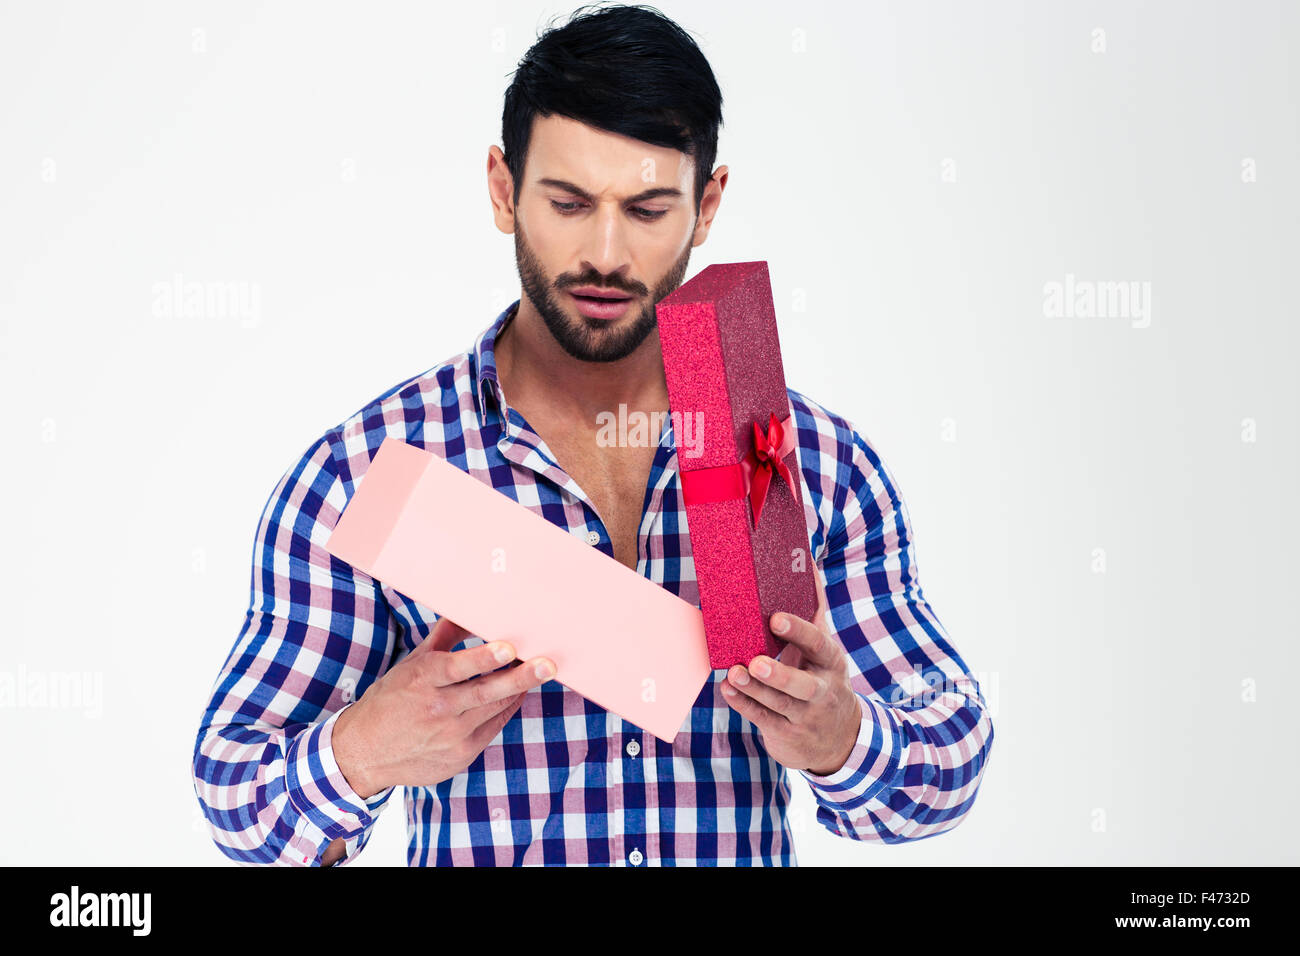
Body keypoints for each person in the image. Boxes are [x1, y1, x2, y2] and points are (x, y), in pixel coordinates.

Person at [191, 2, 994, 867]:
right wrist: (363, 751)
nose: (605, 253)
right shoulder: (368, 474)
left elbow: (948, 755)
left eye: (648, 209)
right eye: (569, 203)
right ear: (504, 189)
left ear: (708, 202)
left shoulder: (809, 462)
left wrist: (845, 739)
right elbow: (237, 799)